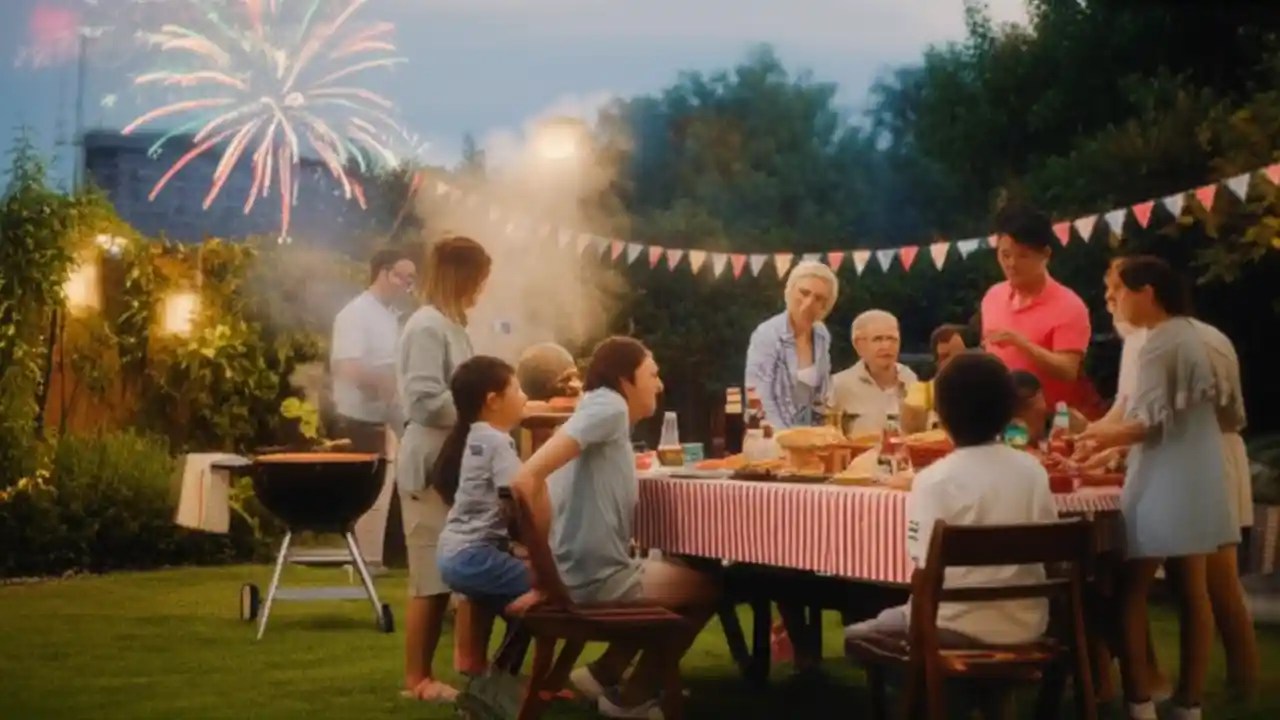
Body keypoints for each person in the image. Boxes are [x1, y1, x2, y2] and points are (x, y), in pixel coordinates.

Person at [511, 337, 719, 719]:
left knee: (685, 565)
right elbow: (527, 479)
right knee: (710, 587)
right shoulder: (608, 406)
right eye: (652, 374)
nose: (659, 384)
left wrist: (547, 569)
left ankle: (604, 672)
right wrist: (544, 575)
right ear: (625, 379)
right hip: (594, 579)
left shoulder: (598, 409)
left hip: (580, 571)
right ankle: (633, 698)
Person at [1074, 256, 1239, 720]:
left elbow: (1143, 425)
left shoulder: (1162, 344)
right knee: (1193, 591)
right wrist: (1101, 439)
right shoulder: (1191, 335)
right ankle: (1189, 703)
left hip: (1165, 477)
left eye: (1118, 291)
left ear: (1146, 291)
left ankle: (1139, 701)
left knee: (1131, 588)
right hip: (1198, 471)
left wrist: (1086, 437)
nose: (1114, 301)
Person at [845, 350, 1058, 647]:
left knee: (857, 636)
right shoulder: (1034, 471)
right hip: (1027, 625)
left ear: (941, 416)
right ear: (1009, 411)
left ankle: (930, 692)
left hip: (946, 626)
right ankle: (982, 691)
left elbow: (920, 563)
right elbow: (1050, 546)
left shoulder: (933, 480)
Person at [395, 236, 492, 703]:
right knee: (429, 576)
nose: (481, 290)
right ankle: (417, 679)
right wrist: (484, 410)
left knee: (456, 570)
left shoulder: (455, 326)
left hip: (454, 465)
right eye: (478, 281)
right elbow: (424, 400)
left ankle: (469, 666)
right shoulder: (427, 327)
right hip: (429, 464)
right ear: (462, 277)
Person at [330, 246, 417, 568]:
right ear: (383, 273)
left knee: (402, 481)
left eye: (412, 279)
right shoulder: (354, 314)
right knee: (369, 492)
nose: (409, 286)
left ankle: (391, 556)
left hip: (390, 413)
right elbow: (345, 367)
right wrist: (382, 383)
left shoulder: (391, 315)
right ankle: (363, 558)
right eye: (404, 277)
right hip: (360, 417)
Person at [434, 356, 538, 615]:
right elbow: (518, 494)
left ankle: (509, 652)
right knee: (557, 584)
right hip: (476, 558)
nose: (524, 397)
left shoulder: (476, 436)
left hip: (452, 554)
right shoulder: (497, 442)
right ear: (493, 401)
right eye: (517, 390)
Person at [981, 204, 1092, 410]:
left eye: (1023, 256)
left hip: (1051, 422)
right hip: (999, 417)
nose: (1012, 264)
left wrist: (1022, 344)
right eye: (1005, 255)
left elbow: (1068, 370)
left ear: (1045, 254)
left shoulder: (1069, 305)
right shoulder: (992, 297)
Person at [744, 261, 839, 428]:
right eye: (804, 293)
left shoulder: (821, 334)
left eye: (818, 298)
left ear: (826, 306)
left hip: (810, 438)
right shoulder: (767, 333)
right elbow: (760, 398)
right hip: (772, 438)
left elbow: (822, 394)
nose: (809, 302)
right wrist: (787, 440)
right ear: (789, 292)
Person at [829, 309, 920, 435]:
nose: (886, 346)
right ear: (859, 345)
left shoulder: (910, 379)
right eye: (878, 339)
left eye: (892, 339)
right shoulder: (838, 386)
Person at [903, 323, 968, 431]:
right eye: (945, 356)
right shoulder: (922, 392)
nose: (953, 361)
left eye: (959, 355)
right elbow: (911, 433)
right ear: (936, 360)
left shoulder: (985, 390)